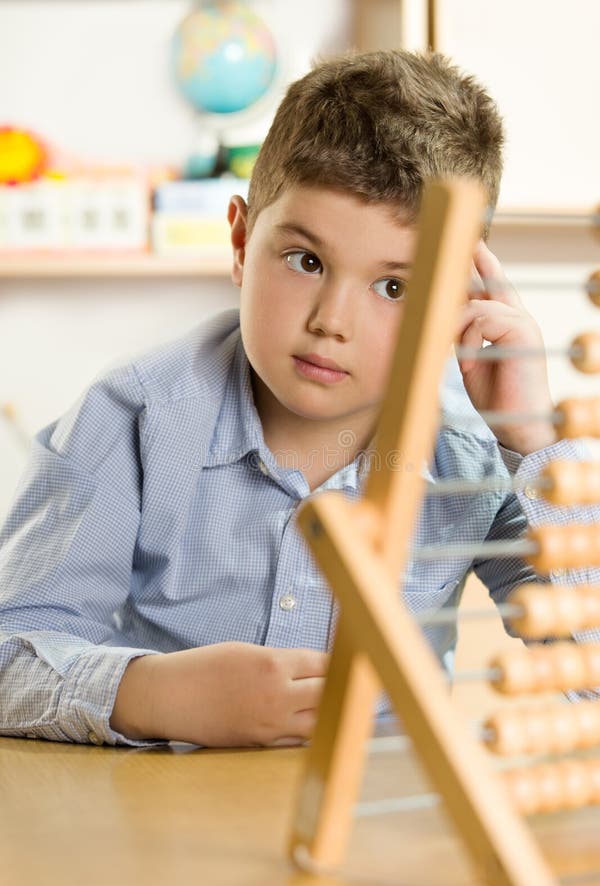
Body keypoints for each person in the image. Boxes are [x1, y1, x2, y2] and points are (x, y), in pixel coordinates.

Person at [0, 50, 592, 749]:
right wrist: (150, 694)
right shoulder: (133, 418)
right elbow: (12, 655)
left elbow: (588, 675)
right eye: (306, 261)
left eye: (395, 287)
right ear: (242, 241)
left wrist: (533, 443)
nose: (331, 322)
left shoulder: (471, 452)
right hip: (166, 802)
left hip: (380, 807)